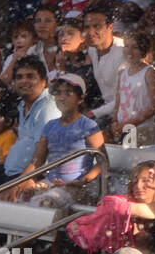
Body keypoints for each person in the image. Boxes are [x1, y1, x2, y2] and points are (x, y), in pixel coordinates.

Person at [0, 56, 60, 197]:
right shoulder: (22, 105)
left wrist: (24, 179)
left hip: (30, 175)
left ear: (44, 82)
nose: (24, 81)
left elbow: (42, 151)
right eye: (19, 77)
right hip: (7, 171)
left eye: (30, 76)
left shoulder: (48, 106)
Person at [18, 71, 105, 209]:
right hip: (51, 182)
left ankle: (50, 229)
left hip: (78, 187)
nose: (62, 98)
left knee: (46, 203)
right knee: (21, 198)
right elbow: (37, 160)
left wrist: (83, 181)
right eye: (58, 93)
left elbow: (103, 162)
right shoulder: (50, 126)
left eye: (68, 93)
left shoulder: (88, 126)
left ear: (80, 98)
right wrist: (26, 180)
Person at [109, 30, 155, 144]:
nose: (129, 51)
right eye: (126, 46)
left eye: (135, 47)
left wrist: (130, 124)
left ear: (143, 51)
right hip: (121, 126)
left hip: (141, 128)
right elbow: (118, 100)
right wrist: (114, 122)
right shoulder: (122, 72)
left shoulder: (149, 72)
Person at [82, 0, 126, 127]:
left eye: (97, 26)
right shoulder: (92, 50)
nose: (90, 32)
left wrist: (92, 113)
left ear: (110, 27)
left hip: (126, 115)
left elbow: (124, 99)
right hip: (106, 112)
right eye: (87, 27)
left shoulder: (123, 52)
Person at [0, 19, 44, 91]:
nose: (19, 40)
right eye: (15, 37)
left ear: (34, 39)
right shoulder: (11, 57)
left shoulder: (40, 53)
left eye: (24, 36)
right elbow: (4, 79)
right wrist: (14, 59)